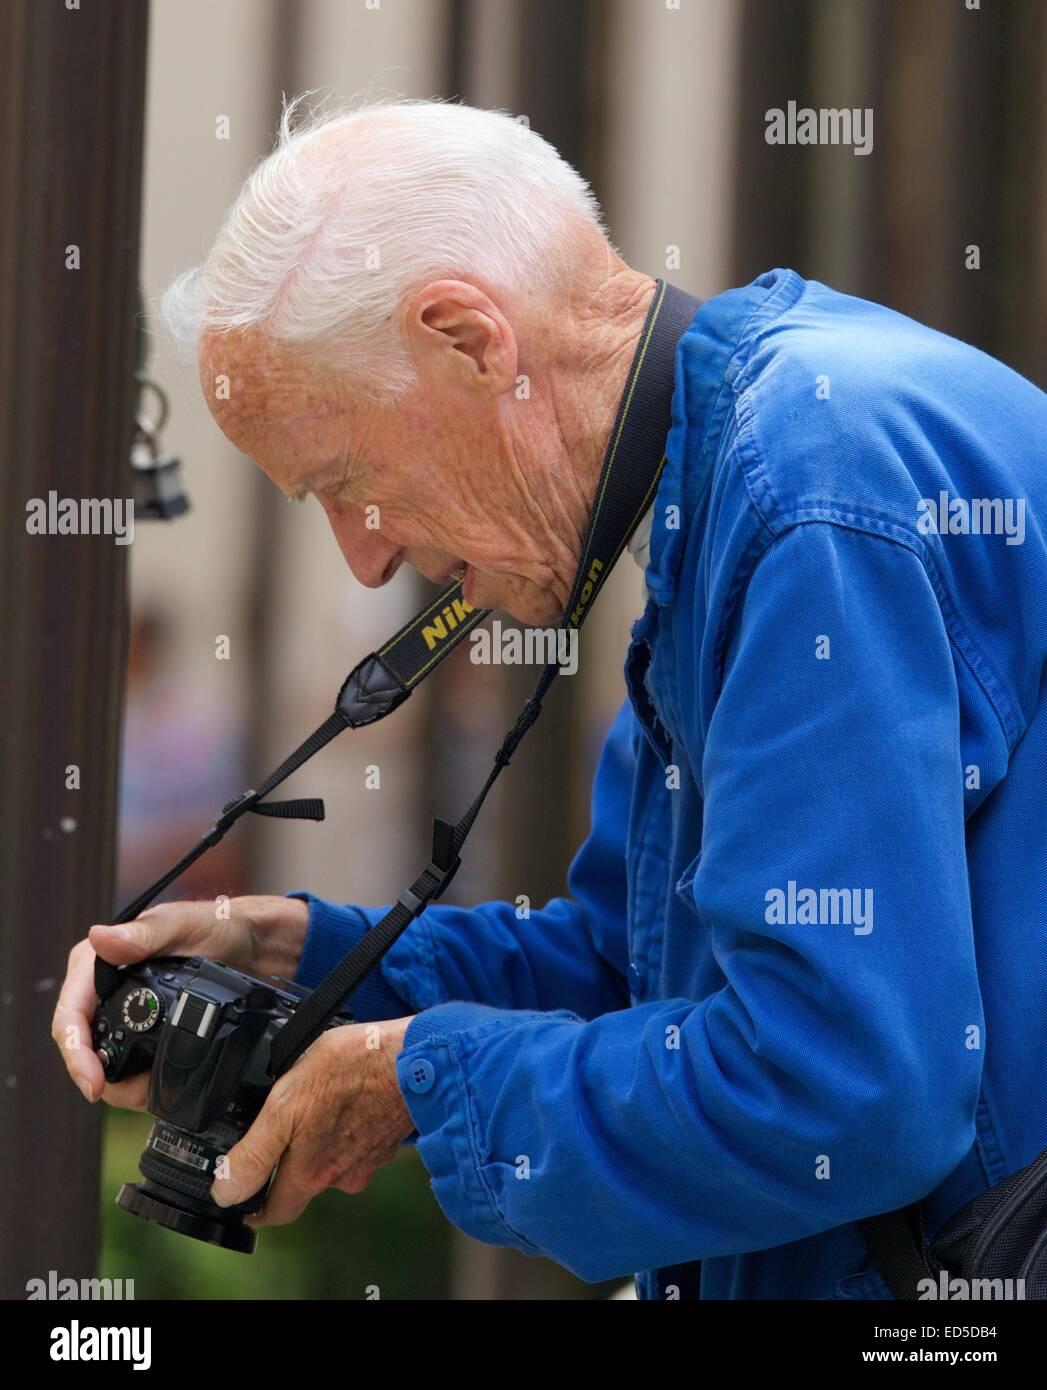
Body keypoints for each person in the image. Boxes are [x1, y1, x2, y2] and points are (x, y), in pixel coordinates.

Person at [53, 100, 1047, 1299]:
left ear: (471, 340)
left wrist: (412, 1077)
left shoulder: (805, 495)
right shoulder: (746, 463)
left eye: (345, 481)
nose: (365, 559)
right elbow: (639, 982)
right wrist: (299, 962)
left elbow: (841, 1087)